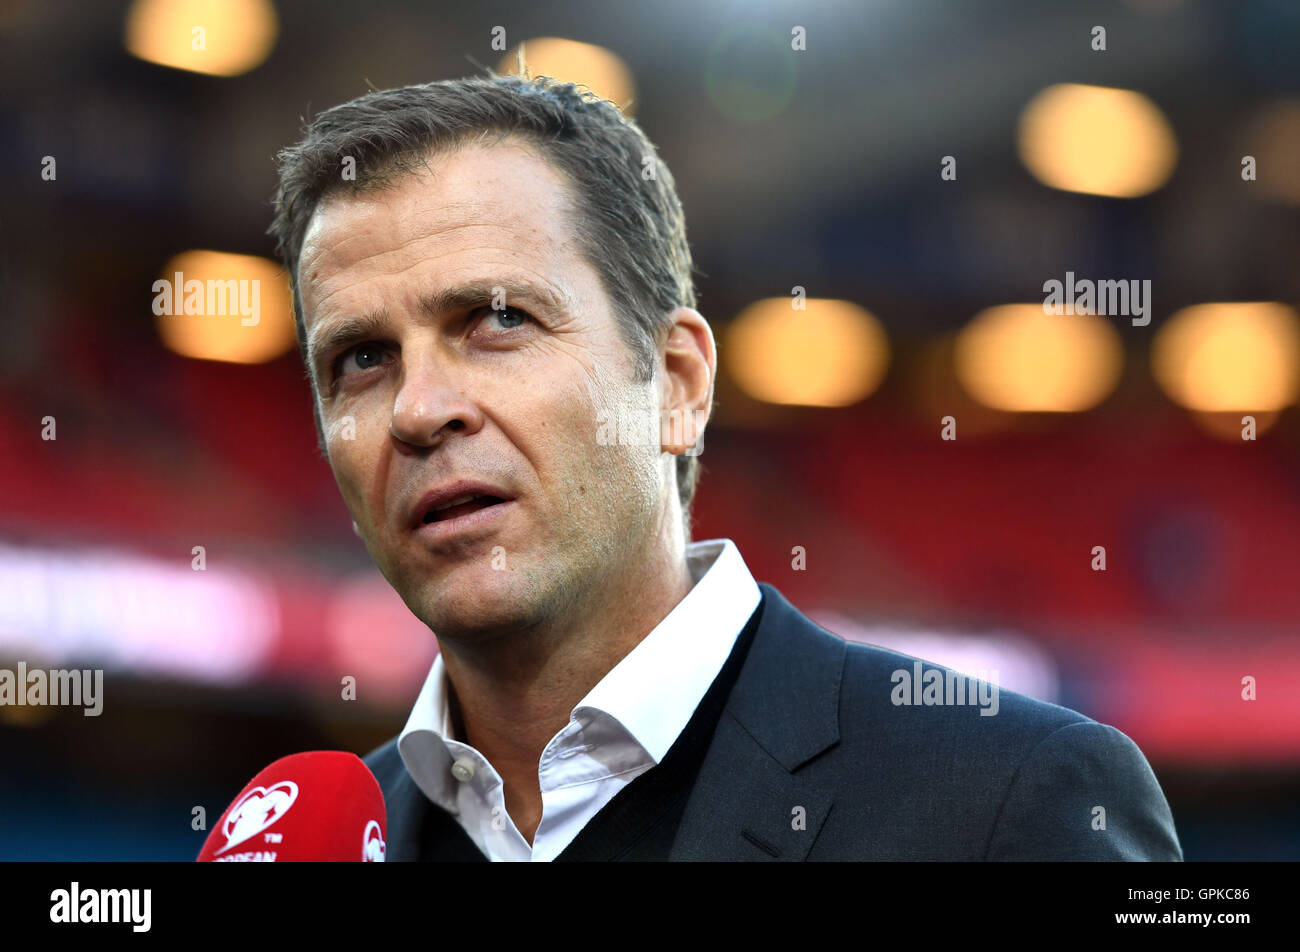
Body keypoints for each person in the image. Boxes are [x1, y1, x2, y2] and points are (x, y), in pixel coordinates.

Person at [268, 74, 1183, 861]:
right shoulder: (317, 842)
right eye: (361, 359)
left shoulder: (1008, 799)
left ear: (677, 385)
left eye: (498, 320)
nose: (418, 409)